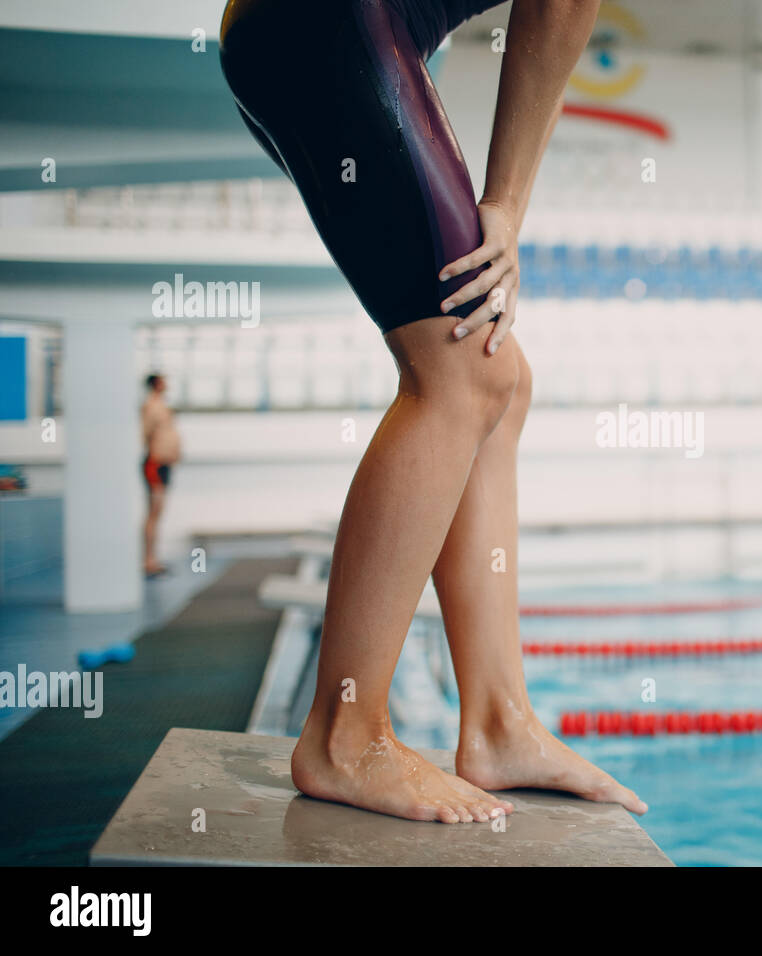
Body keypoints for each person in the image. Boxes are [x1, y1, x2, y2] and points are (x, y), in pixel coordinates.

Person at [219, 0, 646, 823]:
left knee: (496, 375)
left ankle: (498, 723)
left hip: (319, 34)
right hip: (329, 26)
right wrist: (507, 205)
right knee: (460, 373)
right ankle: (346, 735)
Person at [140, 373, 181, 578]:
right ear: (156, 384)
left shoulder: (162, 406)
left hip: (164, 465)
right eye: (164, 381)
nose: (167, 384)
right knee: (153, 513)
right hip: (154, 464)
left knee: (158, 513)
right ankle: (148, 561)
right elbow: (146, 434)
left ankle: (153, 559)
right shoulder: (151, 406)